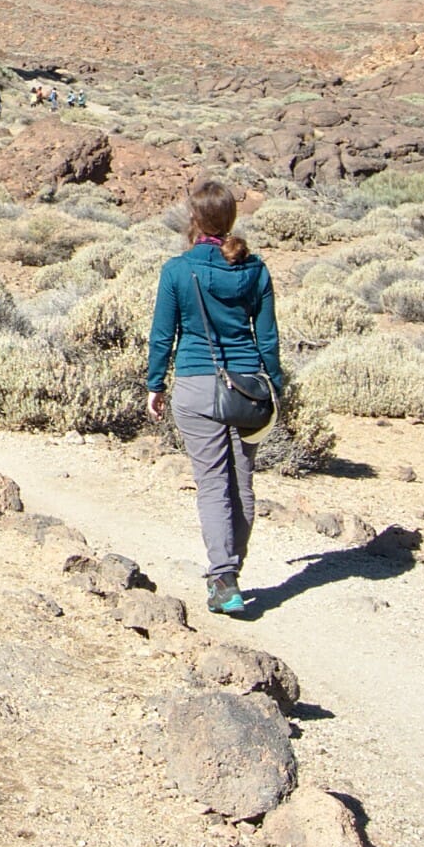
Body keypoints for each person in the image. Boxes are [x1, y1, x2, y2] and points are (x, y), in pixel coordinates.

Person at [142, 180, 279, 617]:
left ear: (194, 220)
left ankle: (224, 577)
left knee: (213, 484)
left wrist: (155, 383)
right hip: (248, 388)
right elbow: (269, 338)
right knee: (242, 482)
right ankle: (229, 573)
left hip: (198, 386)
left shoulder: (179, 270)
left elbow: (164, 335)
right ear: (231, 221)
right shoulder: (254, 269)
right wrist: (275, 386)